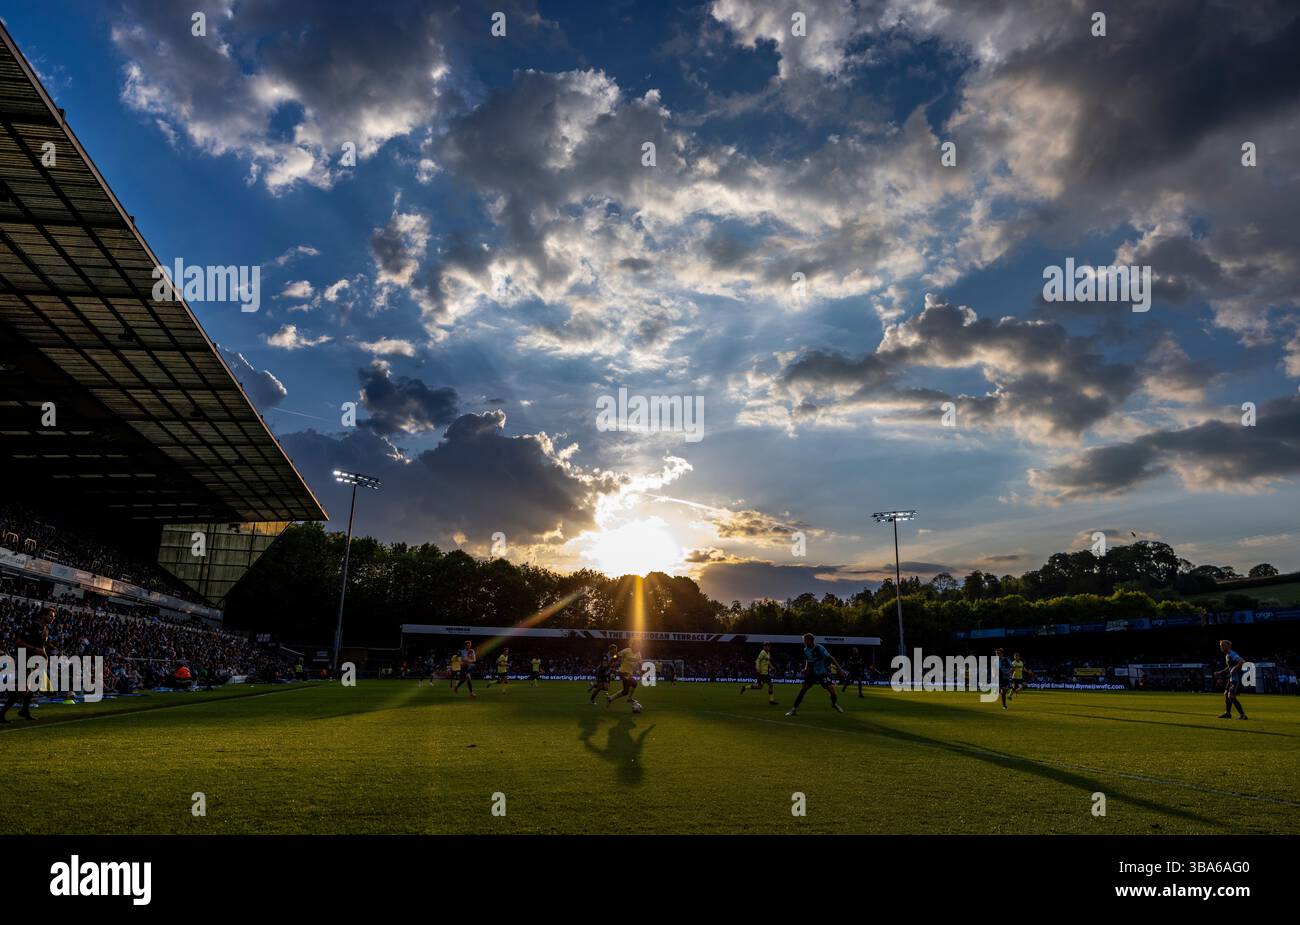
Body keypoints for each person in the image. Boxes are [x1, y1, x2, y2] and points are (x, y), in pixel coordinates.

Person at [1, 606, 53, 723]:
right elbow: (19, 642)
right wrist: (35, 650)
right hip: (24, 658)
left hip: (34, 661)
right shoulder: (33, 626)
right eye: (50, 615)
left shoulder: (45, 629)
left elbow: (42, 646)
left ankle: (24, 710)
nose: (52, 618)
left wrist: (45, 658)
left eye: (53, 616)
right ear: (43, 615)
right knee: (23, 689)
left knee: (32, 686)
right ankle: (2, 713)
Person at [785, 634, 844, 716]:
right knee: (803, 690)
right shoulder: (806, 650)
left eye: (805, 640)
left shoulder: (819, 648)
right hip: (812, 673)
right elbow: (808, 660)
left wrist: (840, 669)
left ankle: (834, 704)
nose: (804, 642)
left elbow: (831, 658)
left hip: (822, 673)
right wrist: (806, 668)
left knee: (833, 692)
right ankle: (793, 709)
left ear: (810, 640)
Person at [1215, 640, 1248, 720]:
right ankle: (1228, 713)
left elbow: (1242, 662)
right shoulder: (1227, 655)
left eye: (1222, 645)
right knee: (1226, 694)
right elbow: (1230, 667)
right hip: (1231, 678)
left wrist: (1235, 668)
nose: (1221, 647)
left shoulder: (1232, 654)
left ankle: (1243, 715)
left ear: (1228, 646)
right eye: (1220, 645)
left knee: (1231, 696)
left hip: (1236, 679)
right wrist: (1221, 672)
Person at [608, 642, 643, 711]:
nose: (637, 647)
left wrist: (642, 672)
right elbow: (617, 656)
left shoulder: (638, 654)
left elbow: (640, 664)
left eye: (638, 646)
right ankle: (629, 698)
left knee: (625, 692)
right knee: (634, 683)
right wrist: (612, 662)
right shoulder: (626, 651)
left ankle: (611, 698)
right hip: (623, 672)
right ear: (633, 646)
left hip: (630, 674)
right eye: (636, 646)